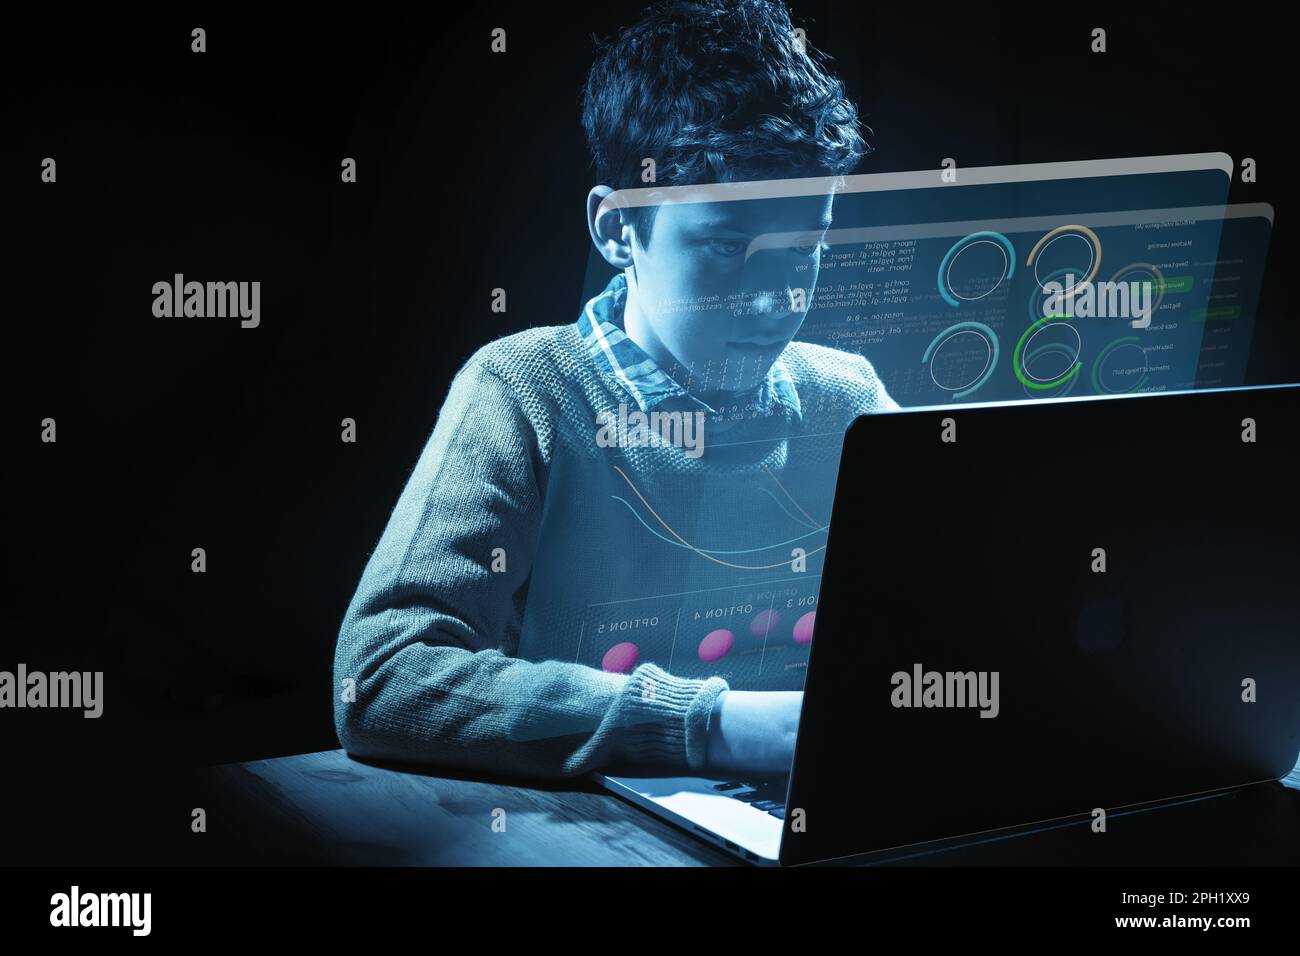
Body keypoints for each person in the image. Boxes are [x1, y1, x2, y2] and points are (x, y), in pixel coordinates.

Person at [333, 0, 898, 781]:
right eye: (729, 250)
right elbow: (385, 678)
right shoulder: (524, 392)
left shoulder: (846, 401)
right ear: (616, 229)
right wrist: (708, 727)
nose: (778, 303)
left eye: (804, 250)